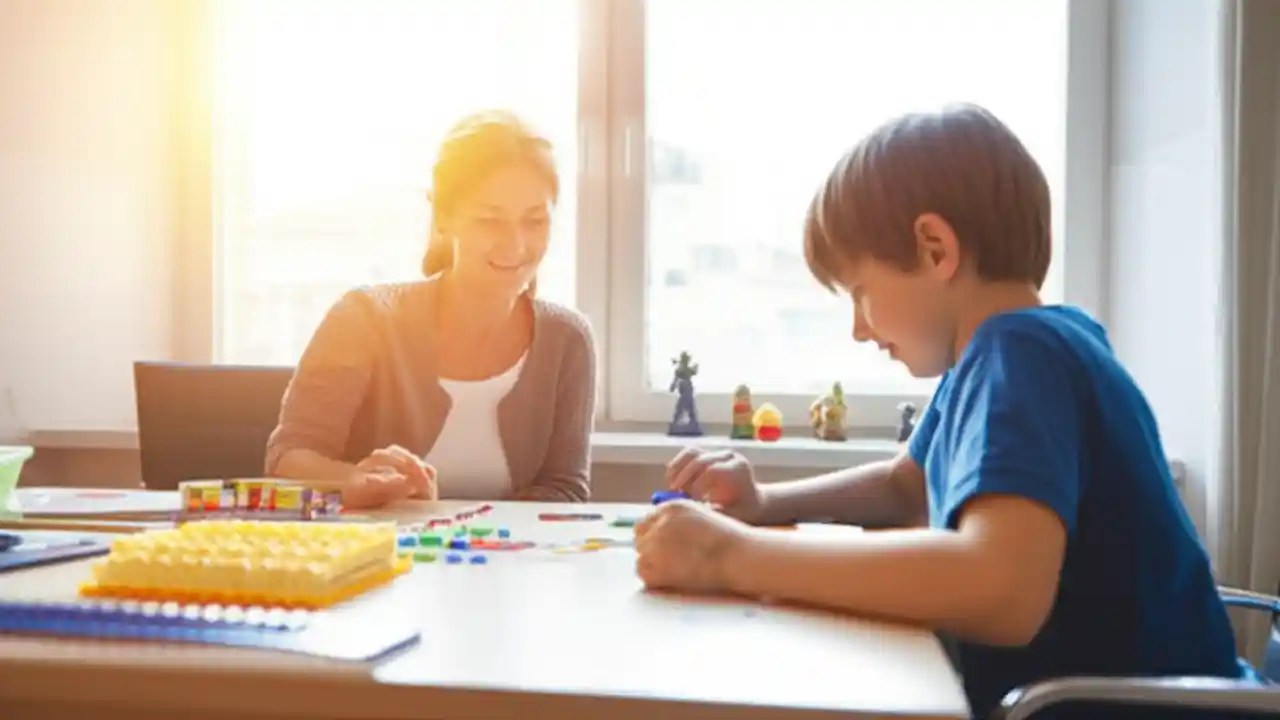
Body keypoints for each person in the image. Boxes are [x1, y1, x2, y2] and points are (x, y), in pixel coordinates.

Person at [635, 104, 1243, 719]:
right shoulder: (1013, 353)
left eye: (861, 293)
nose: (858, 329)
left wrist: (731, 556)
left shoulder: (1020, 354)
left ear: (934, 249)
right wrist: (765, 504)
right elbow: (905, 484)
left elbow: (1002, 590)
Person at [266, 110, 596, 509]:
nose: (516, 245)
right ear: (443, 217)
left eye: (535, 221)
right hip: (373, 561)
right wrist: (356, 481)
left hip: (508, 565)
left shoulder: (567, 340)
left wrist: (470, 533)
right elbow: (288, 460)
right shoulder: (364, 318)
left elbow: (564, 490)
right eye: (490, 221)